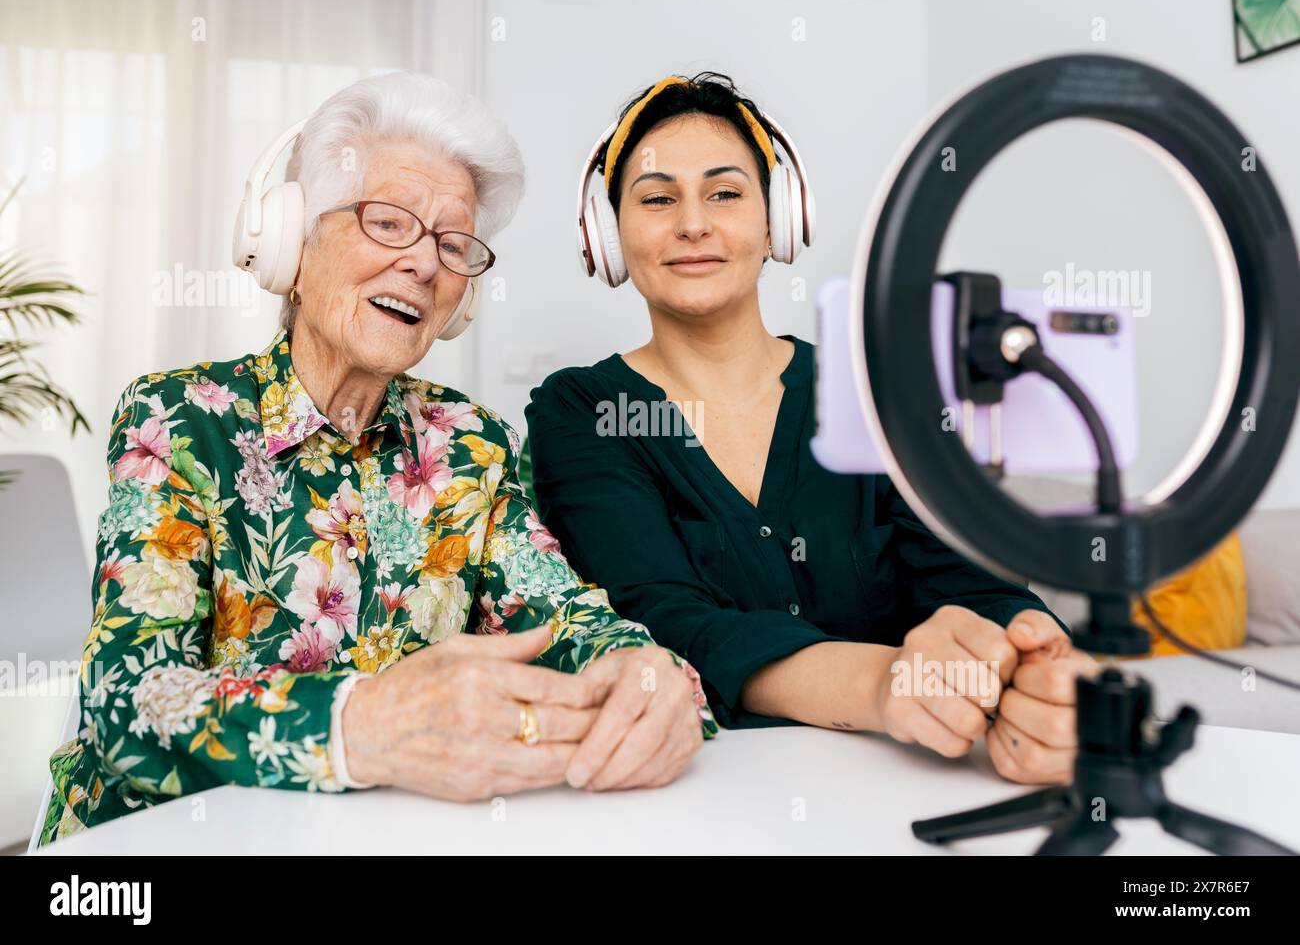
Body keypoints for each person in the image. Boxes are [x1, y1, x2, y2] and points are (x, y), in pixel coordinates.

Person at [40, 72, 715, 846]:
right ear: (294, 239)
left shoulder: (470, 445)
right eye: (388, 223)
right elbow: (126, 701)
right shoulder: (180, 422)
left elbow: (566, 619)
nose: (424, 265)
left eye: (452, 244)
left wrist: (651, 678)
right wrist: (366, 723)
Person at [526, 73, 1097, 786]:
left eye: (726, 192)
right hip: (705, 797)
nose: (693, 223)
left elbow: (968, 583)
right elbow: (663, 624)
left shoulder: (872, 389)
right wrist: (887, 684)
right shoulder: (580, 409)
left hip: (907, 781)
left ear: (779, 221)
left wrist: (1027, 670)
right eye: (657, 198)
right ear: (609, 237)